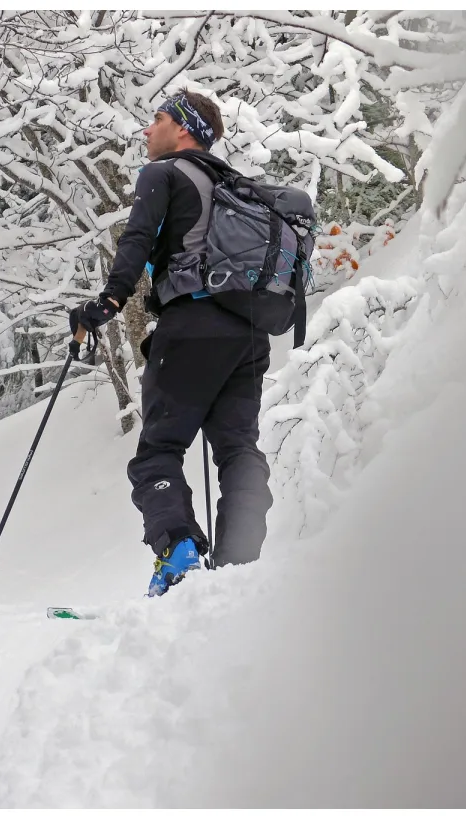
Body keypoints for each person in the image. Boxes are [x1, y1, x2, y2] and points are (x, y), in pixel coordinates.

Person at [70, 89, 273, 598]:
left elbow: (137, 239)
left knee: (158, 451)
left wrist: (108, 303)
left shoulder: (163, 172)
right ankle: (240, 565)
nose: (147, 129)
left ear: (183, 128)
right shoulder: (236, 187)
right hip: (249, 335)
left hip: (190, 328)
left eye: (157, 118)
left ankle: (179, 553)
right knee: (238, 449)